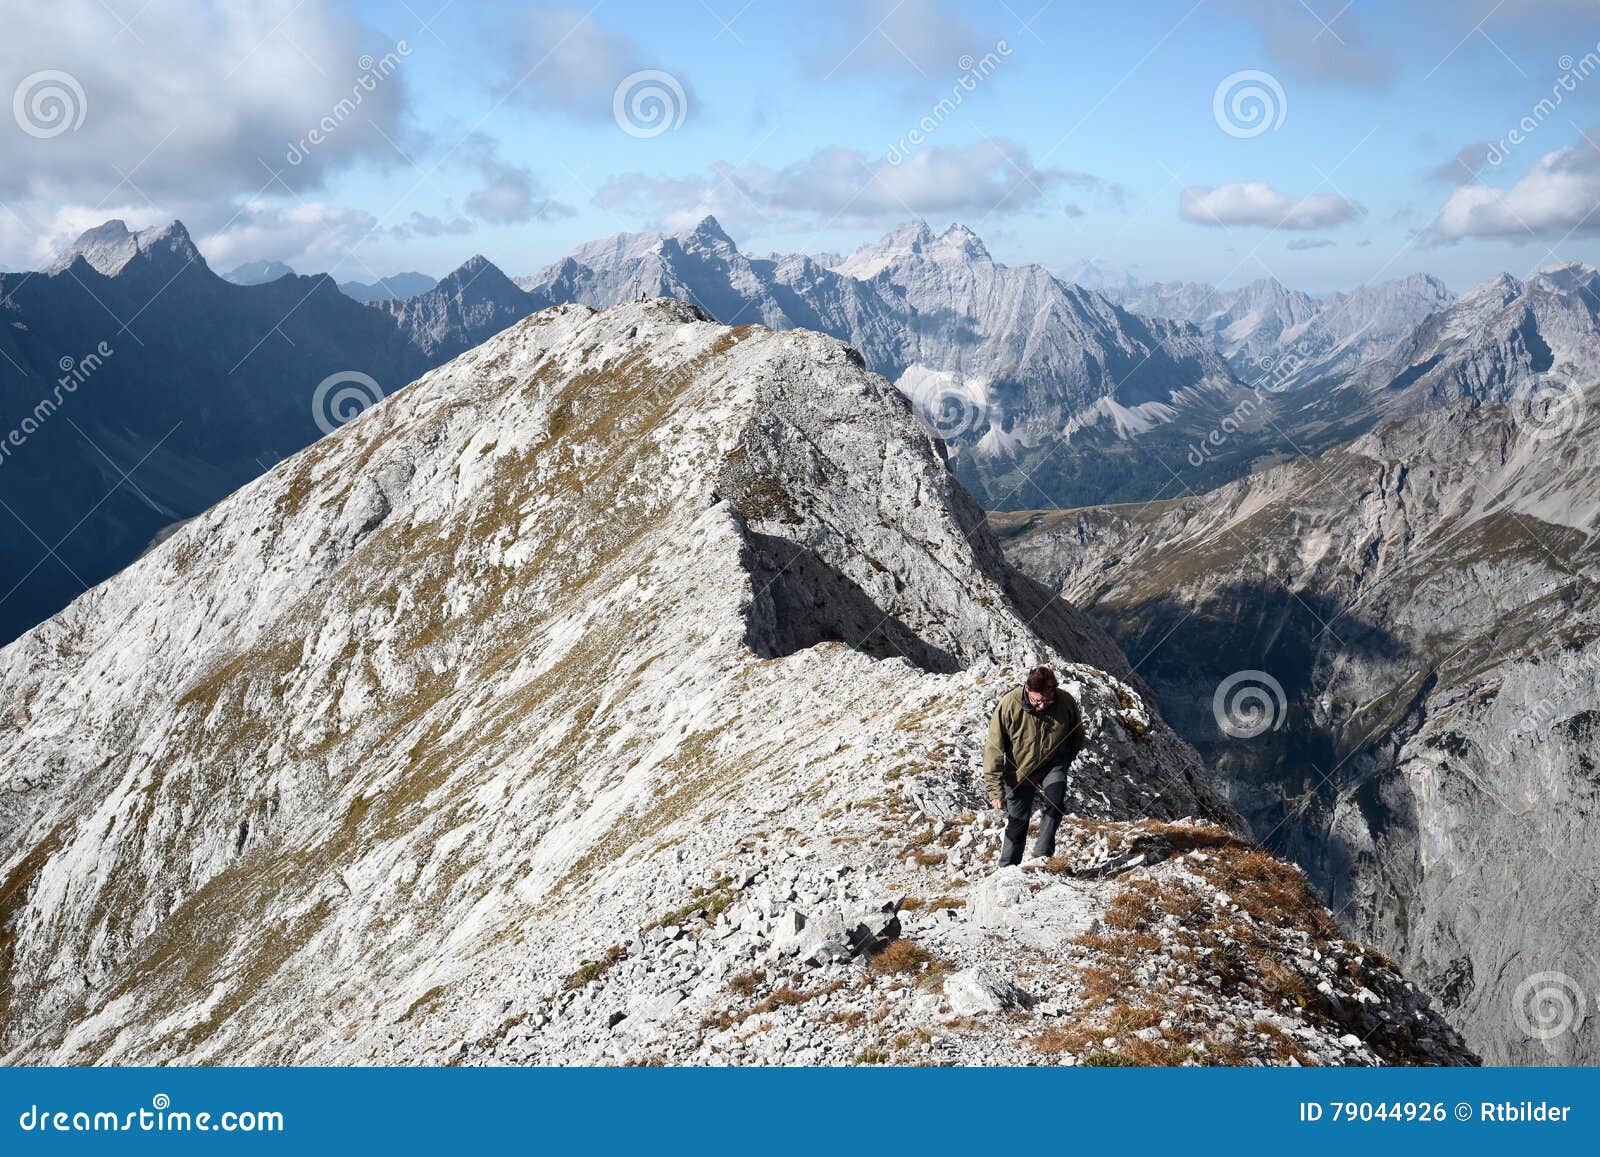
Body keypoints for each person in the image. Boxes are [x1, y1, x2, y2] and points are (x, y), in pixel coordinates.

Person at [983, 666, 1085, 867]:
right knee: (1017, 824)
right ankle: (1007, 868)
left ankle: (1042, 857)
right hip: (1019, 772)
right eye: (1037, 701)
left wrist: (1064, 762)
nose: (1041, 705)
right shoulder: (1009, 705)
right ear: (1027, 690)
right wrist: (995, 790)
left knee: (1055, 802)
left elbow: (1077, 735)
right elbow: (994, 748)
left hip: (1052, 765)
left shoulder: (1065, 702)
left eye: (1046, 700)